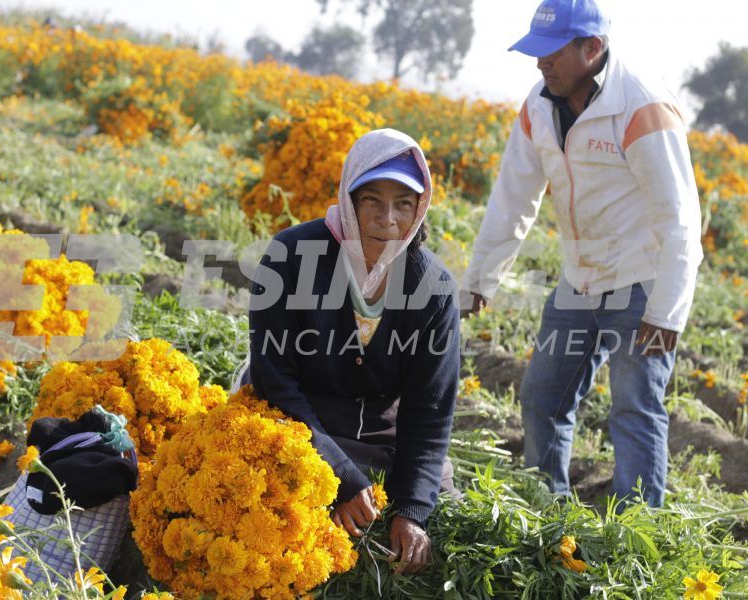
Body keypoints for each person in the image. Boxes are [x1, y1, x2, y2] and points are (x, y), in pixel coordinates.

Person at [462, 0, 703, 508]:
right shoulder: (538, 106)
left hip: (640, 285)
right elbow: (514, 198)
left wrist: (666, 312)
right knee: (542, 400)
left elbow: (679, 218)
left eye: (551, 53)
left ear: (591, 49)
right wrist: (480, 280)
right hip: (579, 282)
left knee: (634, 411)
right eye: (536, 53)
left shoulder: (641, 106)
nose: (540, 63)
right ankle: (547, 514)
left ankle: (634, 537)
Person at [247, 128, 460, 574]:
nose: (388, 218)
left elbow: (429, 410)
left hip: (383, 435)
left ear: (420, 208)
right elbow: (275, 384)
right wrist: (340, 477)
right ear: (349, 199)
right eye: (372, 201)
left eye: (404, 203)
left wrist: (411, 512)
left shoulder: (433, 287)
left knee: (435, 497)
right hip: (296, 423)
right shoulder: (292, 256)